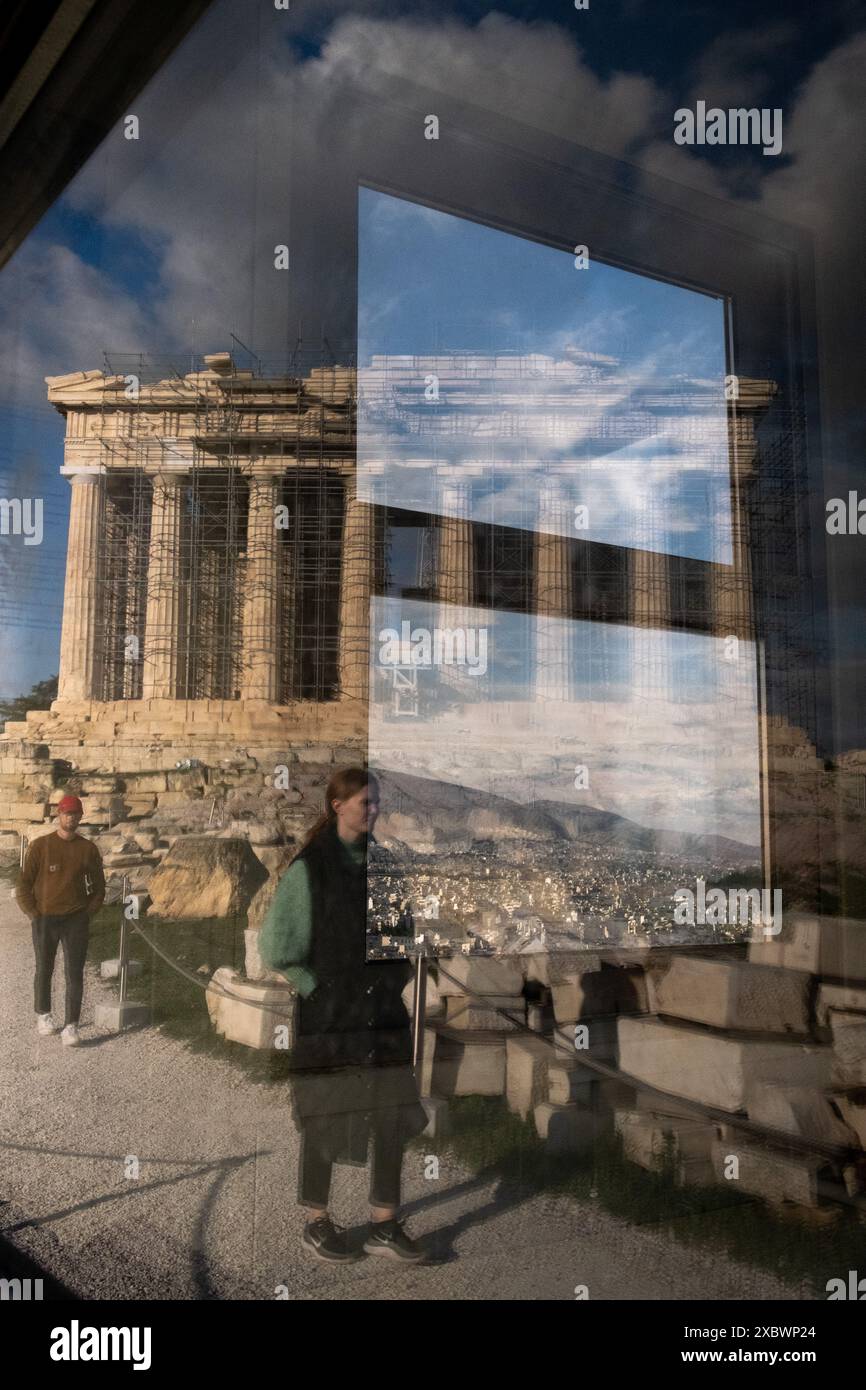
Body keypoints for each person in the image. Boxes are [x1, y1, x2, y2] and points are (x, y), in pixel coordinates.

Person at [259, 766, 429, 1265]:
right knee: (325, 1115)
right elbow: (276, 947)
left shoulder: (386, 866)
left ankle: (384, 1222)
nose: (373, 810)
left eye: (376, 802)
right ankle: (316, 1220)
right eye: (364, 803)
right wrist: (319, 990)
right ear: (338, 805)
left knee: (391, 1114)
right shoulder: (310, 868)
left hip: (380, 1013)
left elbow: (403, 933)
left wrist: (393, 983)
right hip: (331, 1018)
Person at [17, 794, 106, 1046]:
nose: (72, 818)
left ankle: (71, 1026)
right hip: (45, 919)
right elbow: (23, 884)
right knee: (44, 968)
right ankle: (44, 1014)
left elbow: (99, 887)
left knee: (74, 973)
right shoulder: (41, 846)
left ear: (80, 816)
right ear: (59, 815)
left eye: (76, 814)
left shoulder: (87, 848)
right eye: (68, 813)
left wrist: (88, 913)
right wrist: (33, 914)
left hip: (75, 919)